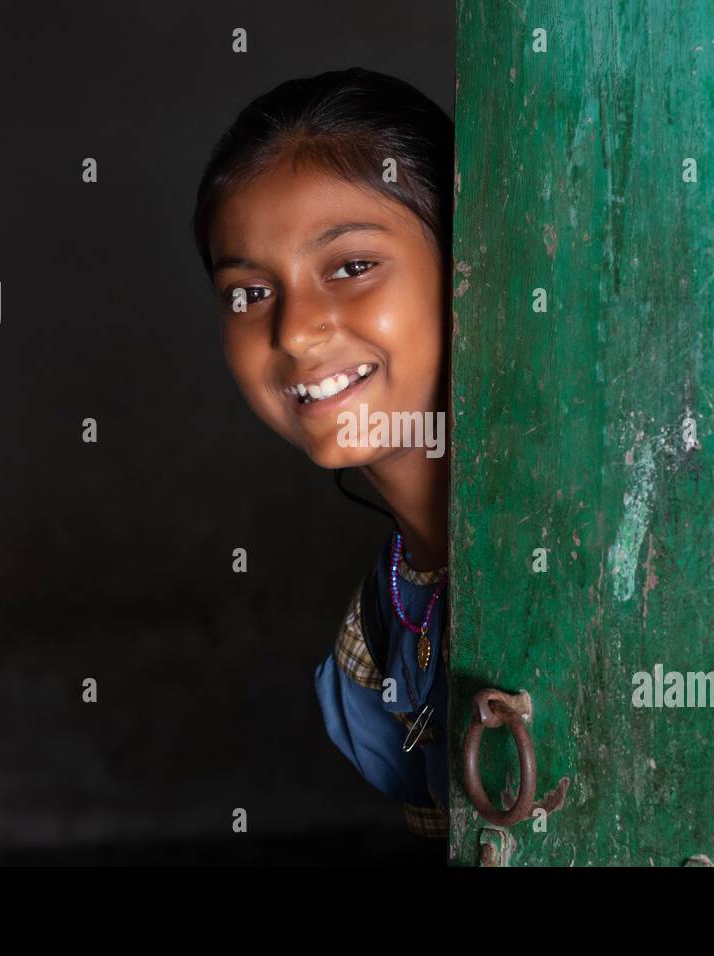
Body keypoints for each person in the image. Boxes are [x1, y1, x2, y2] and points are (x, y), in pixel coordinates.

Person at [192, 67, 453, 838]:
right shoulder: (376, 641)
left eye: (351, 266)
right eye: (250, 293)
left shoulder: (595, 556)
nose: (296, 329)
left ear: (468, 263)